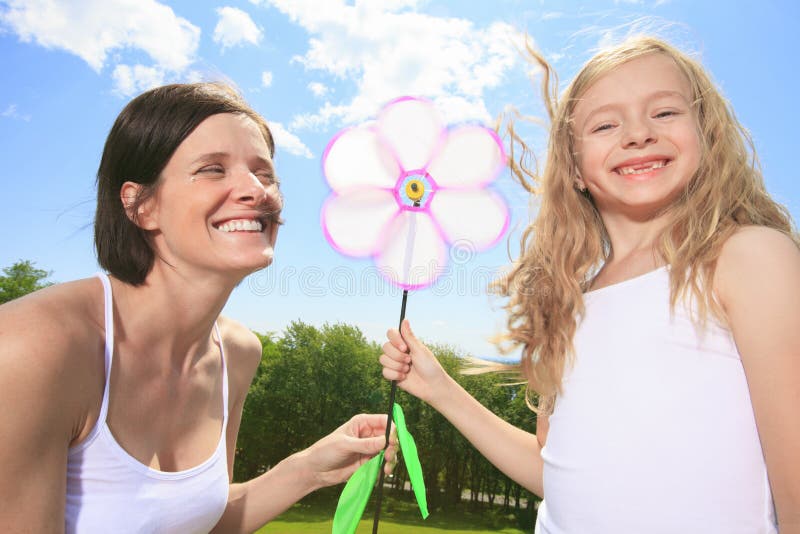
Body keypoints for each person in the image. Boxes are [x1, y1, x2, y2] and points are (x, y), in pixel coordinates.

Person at [380, 36, 800, 533]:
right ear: (574, 167)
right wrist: (439, 390)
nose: (639, 133)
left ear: (706, 133)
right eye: (605, 124)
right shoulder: (566, 302)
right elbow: (558, 475)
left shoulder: (747, 257)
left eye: (665, 113)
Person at [0, 82, 395, 533]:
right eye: (212, 169)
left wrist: (310, 469)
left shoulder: (238, 352)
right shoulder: (34, 347)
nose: (255, 190)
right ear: (140, 205)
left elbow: (198, 519)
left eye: (264, 174)